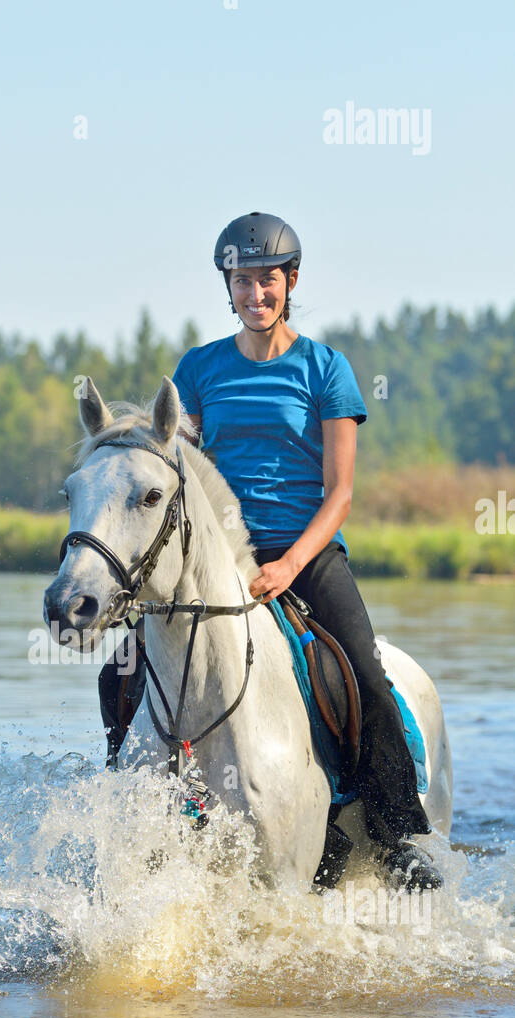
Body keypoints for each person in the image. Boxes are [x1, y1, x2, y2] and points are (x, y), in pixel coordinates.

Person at [101, 210, 441, 891]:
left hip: (307, 552)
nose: (256, 294)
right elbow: (181, 468)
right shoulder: (198, 369)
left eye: (268, 281)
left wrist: (290, 565)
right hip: (222, 553)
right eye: (243, 281)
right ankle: (129, 804)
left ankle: (394, 830)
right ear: (227, 287)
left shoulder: (325, 370)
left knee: (367, 678)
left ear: (290, 282)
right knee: (120, 670)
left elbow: (340, 493)